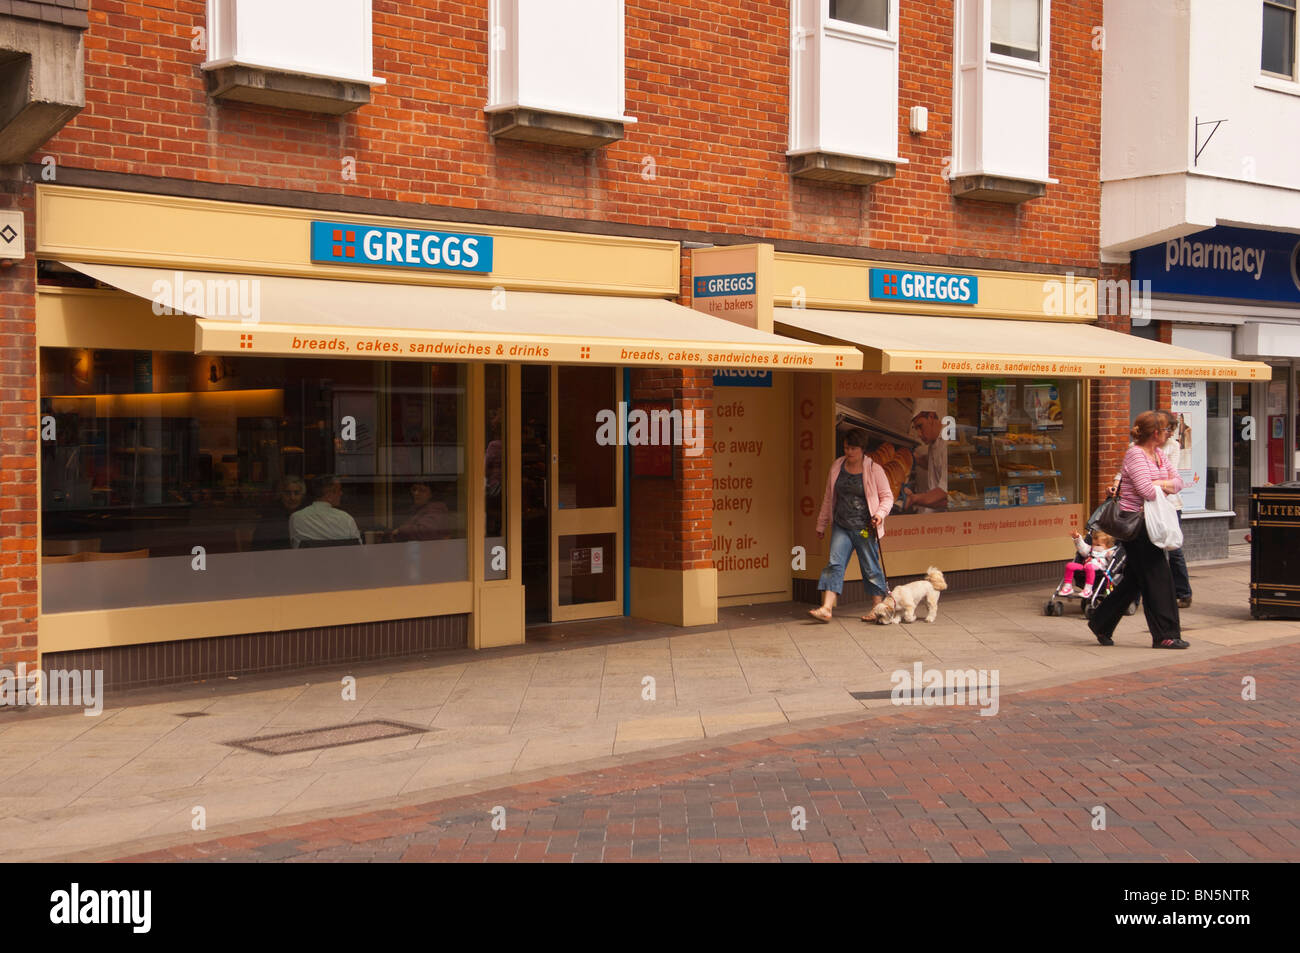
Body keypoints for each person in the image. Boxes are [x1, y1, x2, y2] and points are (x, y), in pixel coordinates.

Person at [1089, 411, 1187, 649]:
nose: (1168, 434)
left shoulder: (1159, 454)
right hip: (1138, 525)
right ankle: (1165, 635)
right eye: (1165, 430)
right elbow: (1145, 490)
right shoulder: (1135, 454)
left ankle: (1100, 623)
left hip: (1155, 521)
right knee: (1158, 577)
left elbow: (1179, 483)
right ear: (1155, 433)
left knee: (1135, 579)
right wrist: (1163, 485)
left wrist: (1159, 484)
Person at [809, 428, 894, 623]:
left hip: (865, 527)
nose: (849, 452)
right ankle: (827, 608)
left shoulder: (874, 469)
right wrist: (821, 524)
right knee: (834, 564)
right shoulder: (837, 466)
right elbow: (829, 497)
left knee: (870, 567)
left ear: (862, 449)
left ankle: (876, 607)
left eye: (853, 448)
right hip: (841, 525)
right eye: (847, 447)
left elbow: (887, 497)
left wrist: (880, 515)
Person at [1159, 411, 1193, 608]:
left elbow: (1169, 475)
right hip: (1147, 506)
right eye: (1166, 428)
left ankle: (1183, 592)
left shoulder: (1172, 446)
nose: (1169, 432)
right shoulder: (1137, 448)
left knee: (1173, 549)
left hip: (1170, 505)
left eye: (1170, 428)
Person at [901, 398, 948, 513]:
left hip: (943, 514)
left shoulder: (947, 443)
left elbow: (943, 491)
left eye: (920, 426)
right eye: (916, 428)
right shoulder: (934, 441)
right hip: (933, 509)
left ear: (931, 417)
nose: (919, 434)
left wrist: (914, 498)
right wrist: (909, 456)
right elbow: (932, 464)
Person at [290, 474, 362, 547]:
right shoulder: (346, 519)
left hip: (307, 558)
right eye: (338, 490)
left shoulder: (296, 518)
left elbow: (295, 549)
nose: (341, 493)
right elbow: (358, 549)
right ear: (329, 495)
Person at [250, 475, 307, 550]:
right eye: (287, 493)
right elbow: (258, 544)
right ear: (281, 494)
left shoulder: (308, 512)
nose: (292, 497)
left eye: (296, 493)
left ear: (302, 495)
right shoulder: (271, 513)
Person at [1057, 529, 1116, 599]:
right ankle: (1067, 586)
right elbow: (1082, 548)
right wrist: (1077, 538)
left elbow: (1113, 560)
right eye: (1093, 544)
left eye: (1098, 545)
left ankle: (1088, 589)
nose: (1095, 546)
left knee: (1089, 566)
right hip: (1086, 566)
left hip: (1099, 568)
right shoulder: (1090, 549)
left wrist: (1111, 554)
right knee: (1070, 565)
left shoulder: (1107, 552)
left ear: (1107, 546)